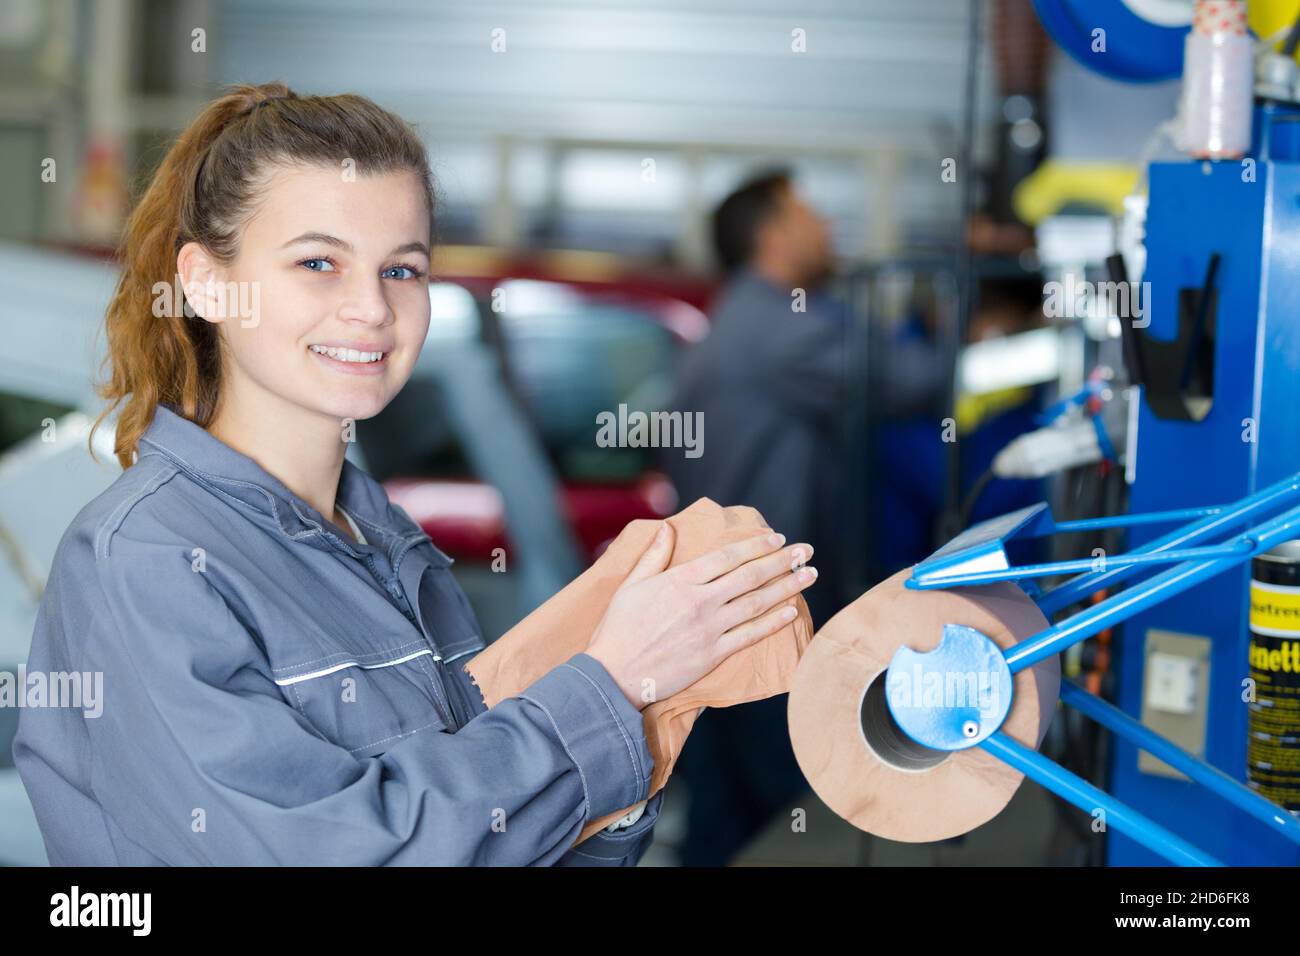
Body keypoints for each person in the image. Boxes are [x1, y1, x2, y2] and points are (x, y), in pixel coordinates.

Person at [11, 84, 818, 866]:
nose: (371, 307)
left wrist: (643, 729)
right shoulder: (143, 561)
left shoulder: (391, 547)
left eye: (402, 270)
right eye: (319, 262)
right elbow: (333, 852)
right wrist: (607, 684)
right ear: (207, 283)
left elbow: (496, 841)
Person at [663, 170, 848, 865]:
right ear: (773, 236)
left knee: (724, 807)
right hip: (765, 608)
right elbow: (912, 379)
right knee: (787, 805)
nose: (827, 227)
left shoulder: (743, 317)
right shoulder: (777, 327)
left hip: (731, 602)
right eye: (810, 213)